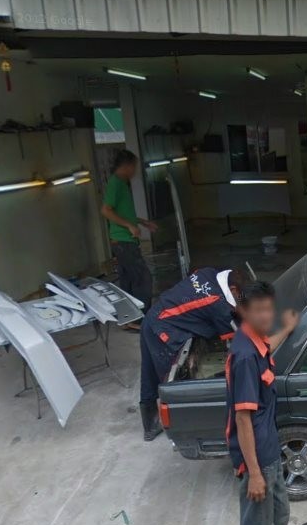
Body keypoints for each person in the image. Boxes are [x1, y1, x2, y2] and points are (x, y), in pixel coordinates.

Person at [226, 281, 299, 525]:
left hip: (269, 450)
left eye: (269, 308)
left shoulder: (255, 341)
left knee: (278, 517)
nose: (266, 315)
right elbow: (242, 419)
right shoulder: (244, 356)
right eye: (258, 310)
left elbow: (269, 343)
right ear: (243, 312)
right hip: (256, 457)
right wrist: (254, 473)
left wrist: (288, 328)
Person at [137, 267, 247, 441]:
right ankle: (176, 427)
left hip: (154, 316)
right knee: (171, 380)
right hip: (163, 330)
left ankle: (150, 423)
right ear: (233, 289)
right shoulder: (217, 303)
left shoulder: (208, 272)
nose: (241, 303)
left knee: (148, 371)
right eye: (241, 299)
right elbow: (234, 337)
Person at [100, 149, 157, 313]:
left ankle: (130, 317)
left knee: (129, 280)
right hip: (123, 241)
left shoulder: (122, 184)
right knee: (142, 278)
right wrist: (129, 226)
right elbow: (106, 210)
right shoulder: (115, 183)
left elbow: (123, 213)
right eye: (134, 167)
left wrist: (142, 222)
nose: (135, 171)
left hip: (125, 241)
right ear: (127, 166)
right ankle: (142, 318)